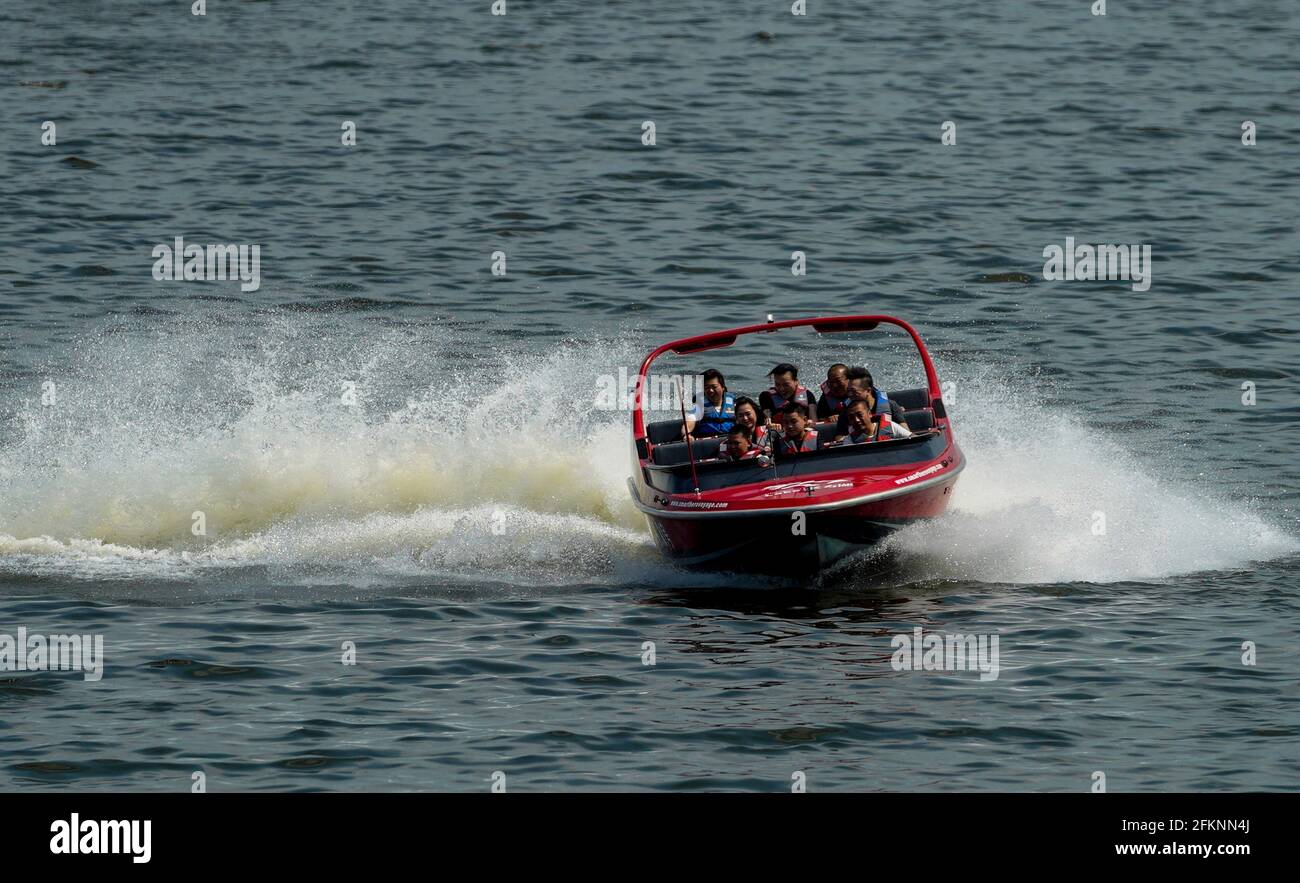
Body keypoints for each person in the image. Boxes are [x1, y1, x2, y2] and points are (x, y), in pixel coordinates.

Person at [834, 366, 909, 438]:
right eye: (848, 391)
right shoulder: (847, 412)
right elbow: (839, 437)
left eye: (854, 391)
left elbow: (905, 431)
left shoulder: (891, 405)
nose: (850, 395)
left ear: (868, 391)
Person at [831, 399, 913, 445]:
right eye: (852, 417)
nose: (856, 420)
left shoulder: (891, 426)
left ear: (869, 414)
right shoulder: (849, 441)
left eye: (859, 415)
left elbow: (914, 439)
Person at [683, 368, 735, 438]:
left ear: (723, 387)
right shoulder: (698, 406)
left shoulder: (734, 404)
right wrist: (687, 434)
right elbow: (690, 421)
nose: (710, 390)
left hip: (731, 442)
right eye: (707, 387)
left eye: (714, 387)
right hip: (707, 443)